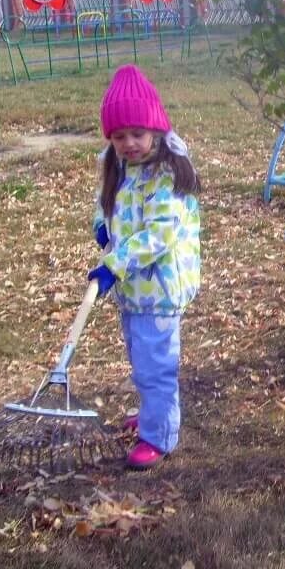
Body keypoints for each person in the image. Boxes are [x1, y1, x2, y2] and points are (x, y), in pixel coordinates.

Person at [88, 64, 202, 470]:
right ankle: (153, 413)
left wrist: (113, 263)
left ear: (155, 129)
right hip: (132, 288)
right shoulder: (118, 164)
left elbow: (158, 235)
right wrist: (103, 230)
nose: (129, 143)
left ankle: (159, 435)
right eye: (119, 136)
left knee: (156, 366)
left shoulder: (167, 173)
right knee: (141, 359)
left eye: (137, 134)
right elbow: (106, 204)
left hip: (161, 288)